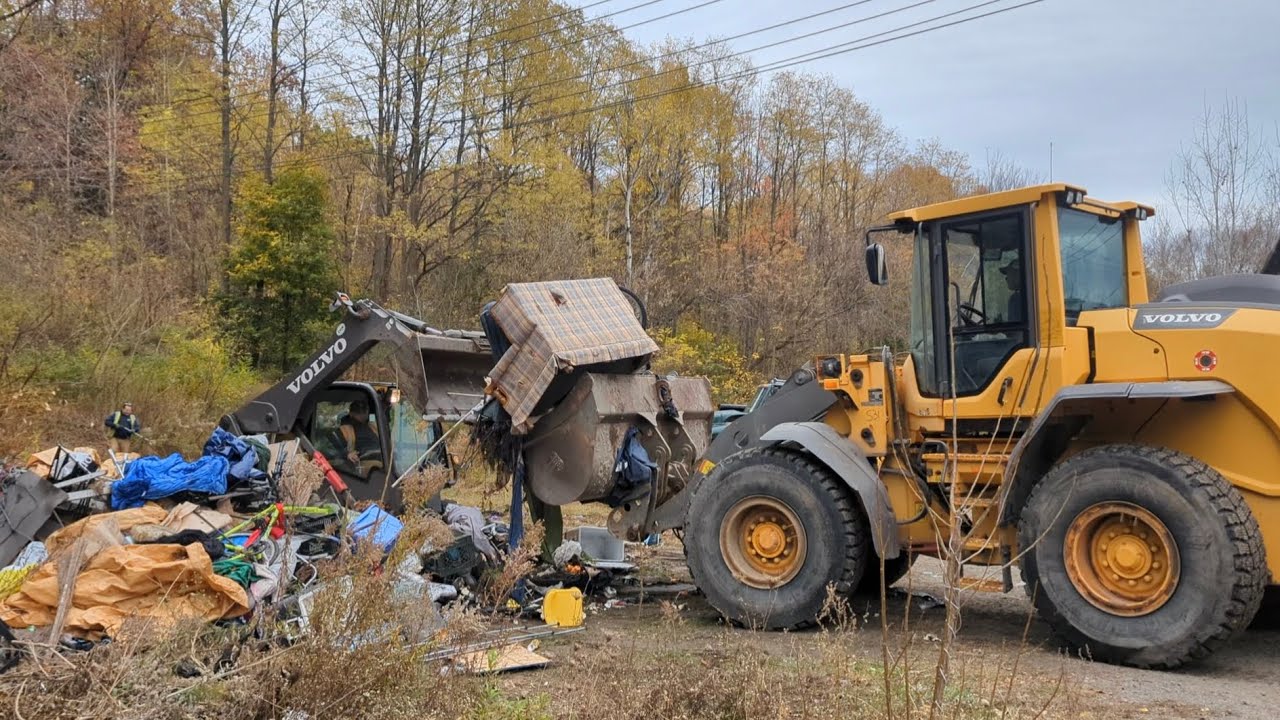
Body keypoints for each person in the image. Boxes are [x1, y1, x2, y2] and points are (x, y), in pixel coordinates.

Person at [339, 399, 382, 477]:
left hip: (381, 461)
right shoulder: (344, 429)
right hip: (360, 467)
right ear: (351, 413)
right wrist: (347, 454)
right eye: (358, 412)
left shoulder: (373, 426)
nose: (362, 414)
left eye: (364, 411)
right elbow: (329, 449)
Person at [999, 256, 1025, 324]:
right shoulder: (1018, 297)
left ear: (1017, 275)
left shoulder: (1017, 299)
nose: (1006, 279)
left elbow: (1016, 331)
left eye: (1009, 274)